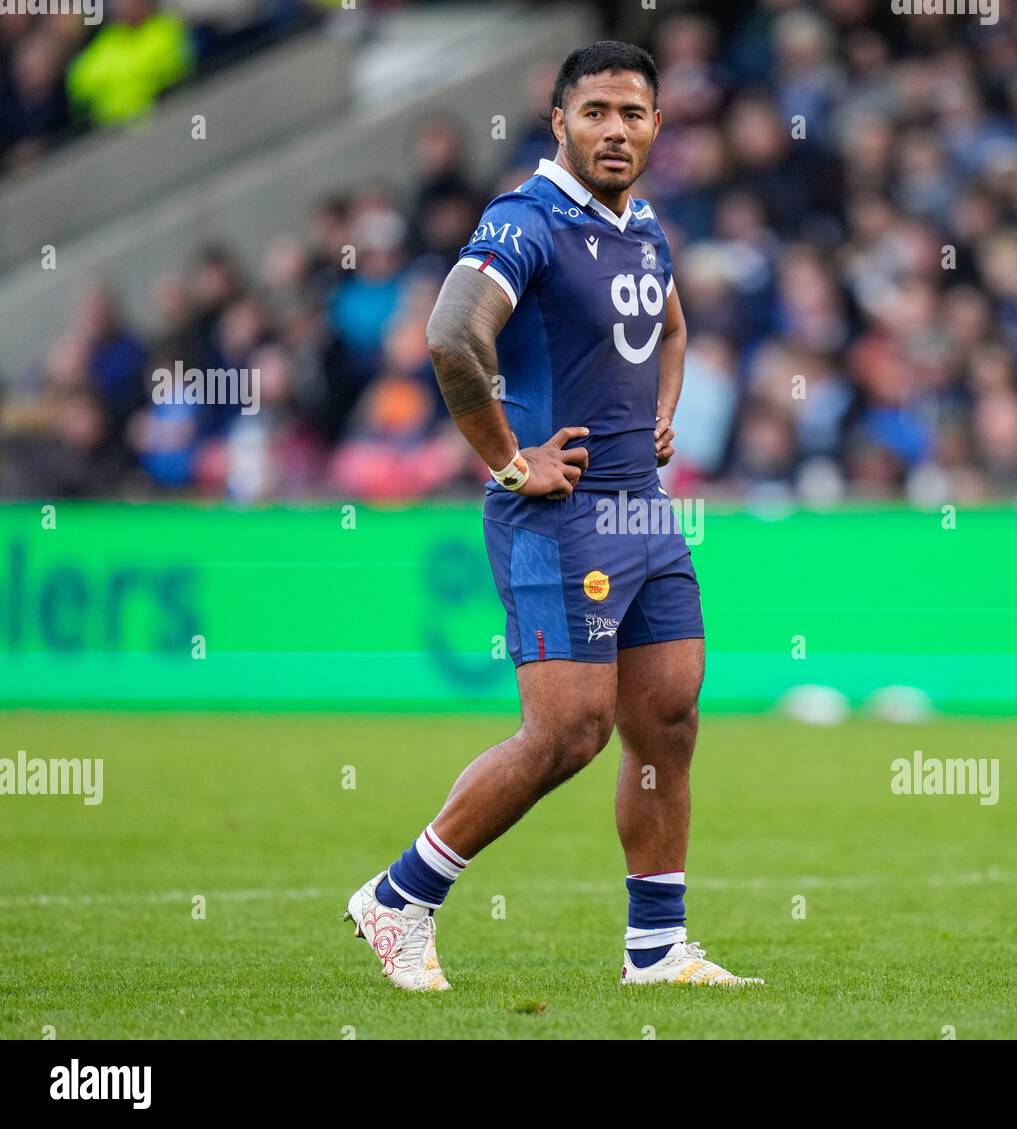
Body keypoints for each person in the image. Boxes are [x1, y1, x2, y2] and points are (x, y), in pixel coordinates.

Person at [344, 40, 762, 989]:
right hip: (559, 515)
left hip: (643, 516)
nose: (615, 130)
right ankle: (400, 896)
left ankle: (657, 949)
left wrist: (664, 408)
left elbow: (671, 321)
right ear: (559, 121)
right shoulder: (525, 221)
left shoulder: (644, 226)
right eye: (597, 112)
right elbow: (452, 335)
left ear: (658, 125)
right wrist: (505, 459)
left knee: (669, 716)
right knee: (570, 732)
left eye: (634, 114)